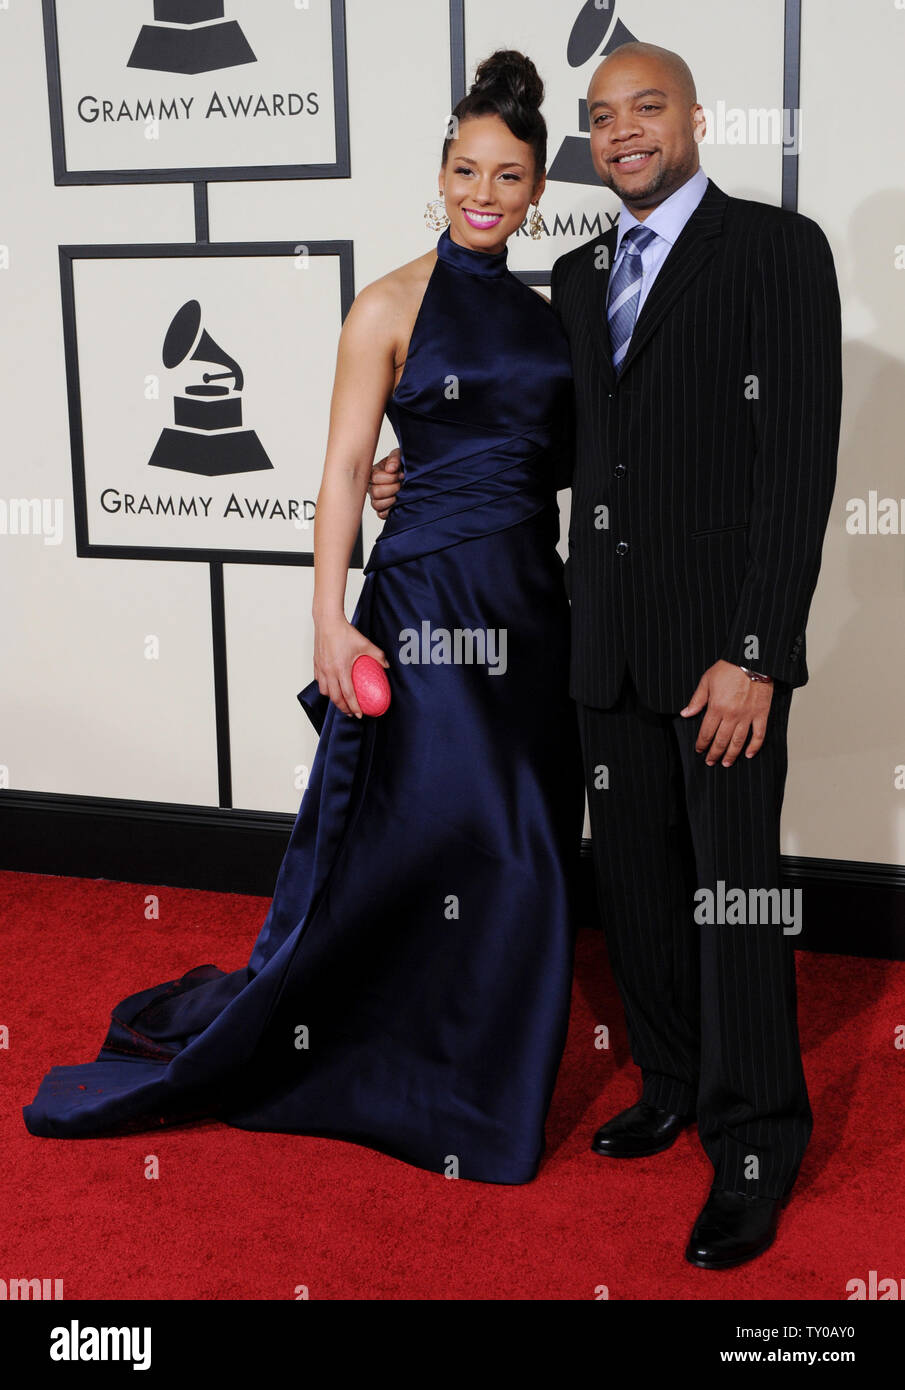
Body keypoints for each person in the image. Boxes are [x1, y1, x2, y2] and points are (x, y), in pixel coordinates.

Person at [23, 52, 585, 1186]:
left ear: (535, 191)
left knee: (523, 851)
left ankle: (472, 1076)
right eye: (465, 169)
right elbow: (337, 477)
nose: (483, 193)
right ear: (438, 174)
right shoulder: (385, 304)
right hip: (420, 607)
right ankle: (415, 1081)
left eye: (508, 175)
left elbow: (557, 460)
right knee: (440, 840)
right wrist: (327, 622)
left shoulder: (554, 316)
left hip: (528, 608)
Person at [370, 42, 842, 1264]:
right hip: (603, 642)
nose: (623, 129)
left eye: (647, 107)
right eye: (601, 116)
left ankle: (753, 1143)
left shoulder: (776, 253)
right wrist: (425, 472)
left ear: (693, 116)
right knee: (632, 884)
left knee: (733, 893)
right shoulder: (579, 276)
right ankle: (672, 1079)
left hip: (718, 651)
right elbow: (569, 444)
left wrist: (757, 650)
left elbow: (796, 473)